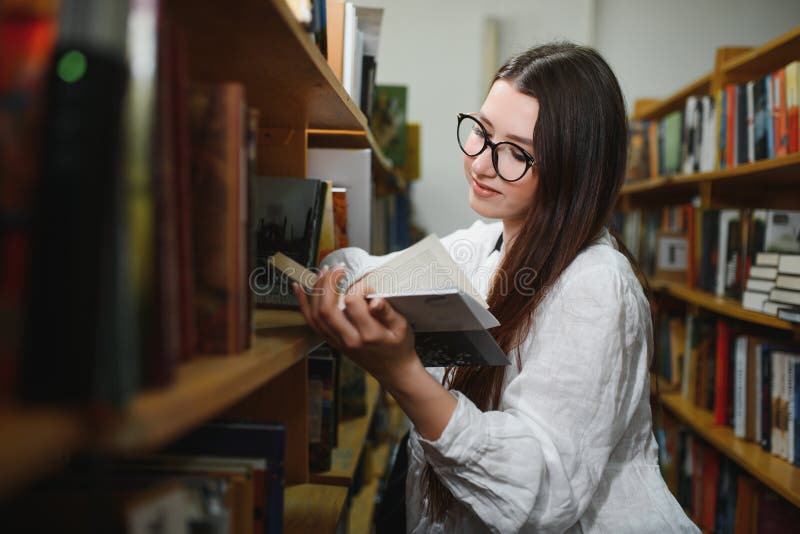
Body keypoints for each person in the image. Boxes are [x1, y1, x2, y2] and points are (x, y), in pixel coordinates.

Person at [293, 42, 699, 533]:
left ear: (575, 170)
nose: (482, 164)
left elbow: (545, 495)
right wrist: (328, 275)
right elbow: (363, 267)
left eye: (516, 153)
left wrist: (401, 372)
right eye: (482, 132)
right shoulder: (485, 242)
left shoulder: (597, 286)